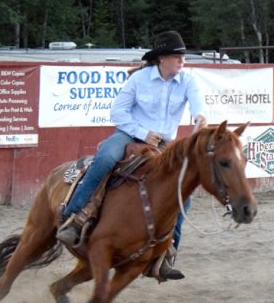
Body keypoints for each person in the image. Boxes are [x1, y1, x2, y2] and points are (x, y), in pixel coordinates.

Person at [56, 30, 208, 281]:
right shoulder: (139, 80)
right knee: (105, 158)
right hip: (130, 134)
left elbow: (197, 105)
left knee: (184, 194)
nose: (182, 61)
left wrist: (201, 117)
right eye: (177, 56)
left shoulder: (189, 80)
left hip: (164, 143)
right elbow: (118, 112)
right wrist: (143, 132)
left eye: (183, 57)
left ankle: (167, 253)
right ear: (161, 59)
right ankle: (74, 217)